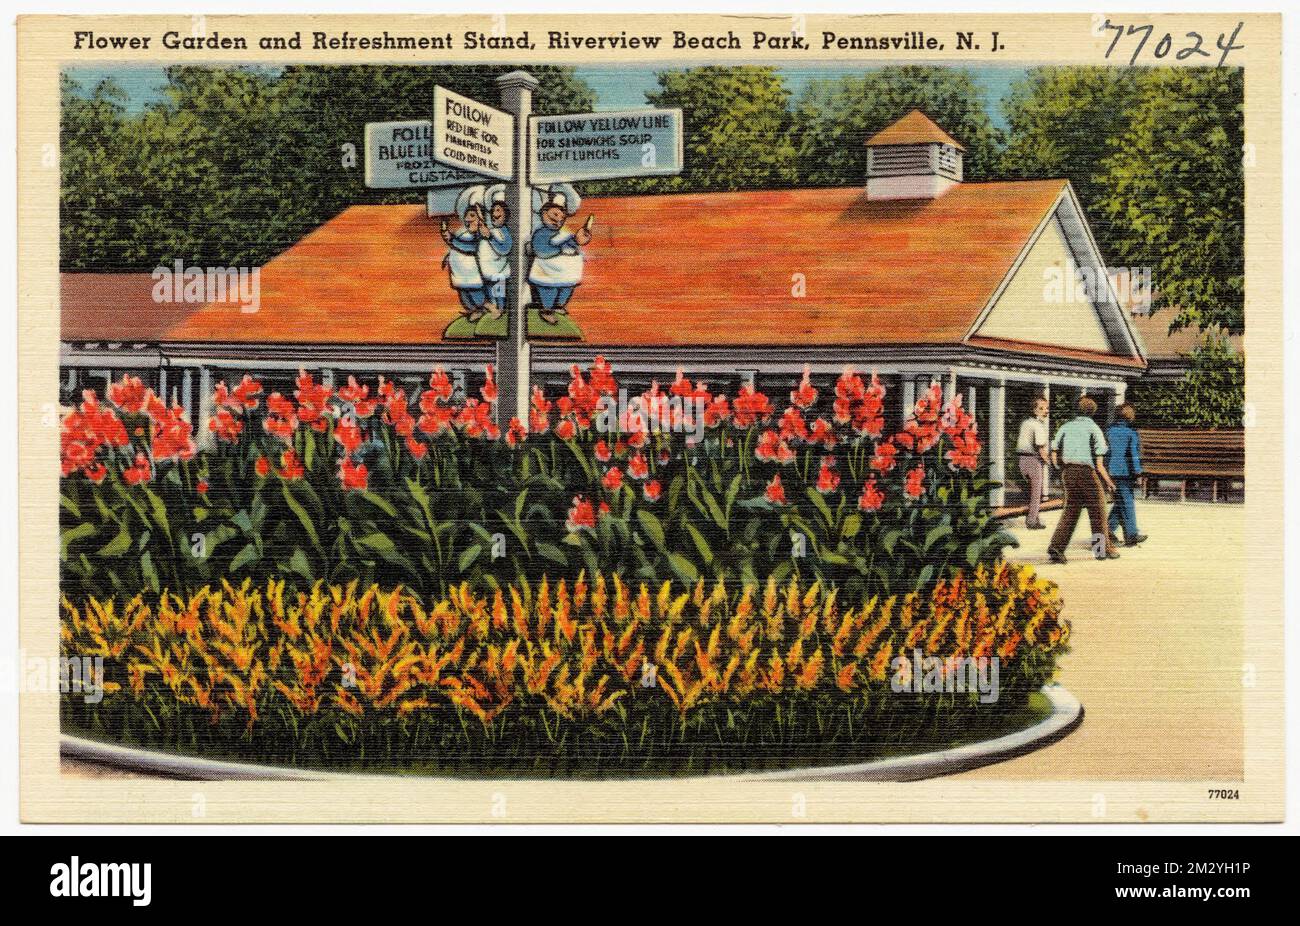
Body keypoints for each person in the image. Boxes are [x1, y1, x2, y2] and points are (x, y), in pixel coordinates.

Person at [1047, 395, 1120, 563]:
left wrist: (1059, 467)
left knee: (1071, 511)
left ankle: (1056, 547)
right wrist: (1109, 482)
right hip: (1087, 473)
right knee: (1098, 511)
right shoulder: (1094, 429)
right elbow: (1100, 465)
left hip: (1068, 472)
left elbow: (1054, 450)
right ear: (1093, 412)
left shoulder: (1066, 426)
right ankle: (1102, 550)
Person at [528, 183, 593, 325]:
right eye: (555, 214)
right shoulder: (540, 233)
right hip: (547, 271)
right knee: (548, 289)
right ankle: (546, 310)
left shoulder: (563, 233)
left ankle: (559, 305)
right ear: (544, 213)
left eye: (562, 217)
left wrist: (579, 241)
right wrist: (561, 250)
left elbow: (572, 243)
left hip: (564, 271)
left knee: (566, 287)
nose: (558, 220)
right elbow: (541, 250)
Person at [442, 186, 488, 322]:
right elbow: (454, 245)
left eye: (473, 216)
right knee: (463, 292)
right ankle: (470, 309)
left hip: (472, 272)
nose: (468, 219)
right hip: (458, 272)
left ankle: (480, 309)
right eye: (467, 216)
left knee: (475, 291)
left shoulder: (480, 235)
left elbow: (471, 247)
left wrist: (452, 240)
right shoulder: (462, 232)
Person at [1105, 403, 1148, 546]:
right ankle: (1131, 535)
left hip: (1110, 472)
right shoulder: (1131, 433)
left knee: (1119, 503)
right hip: (1125, 473)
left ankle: (1108, 531)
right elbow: (1133, 455)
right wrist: (1138, 472)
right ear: (1130, 417)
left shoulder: (1109, 432)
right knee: (1127, 503)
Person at [1015, 395, 1051, 529]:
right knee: (1036, 493)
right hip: (1033, 459)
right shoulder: (1038, 425)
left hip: (1021, 459)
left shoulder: (1025, 423)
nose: (1045, 411)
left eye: (1047, 408)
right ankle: (1031, 521)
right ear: (1034, 410)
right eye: (1042, 408)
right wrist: (1049, 462)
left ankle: (1035, 517)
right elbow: (1041, 447)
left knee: (1030, 491)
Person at [478, 185, 513, 319]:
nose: (494, 213)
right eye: (493, 210)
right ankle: (493, 309)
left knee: (499, 293)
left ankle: (500, 310)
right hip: (487, 269)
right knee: (489, 291)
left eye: (498, 210)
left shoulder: (504, 232)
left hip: (499, 271)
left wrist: (490, 237)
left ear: (505, 215)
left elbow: (505, 248)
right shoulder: (490, 230)